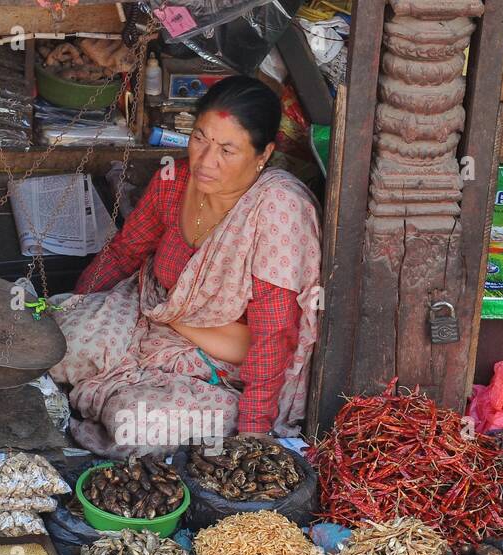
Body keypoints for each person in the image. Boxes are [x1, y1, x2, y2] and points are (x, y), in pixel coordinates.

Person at [49, 76, 322, 457]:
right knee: (60, 346)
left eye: (227, 150)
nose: (206, 162)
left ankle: (120, 399)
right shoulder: (173, 180)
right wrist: (79, 305)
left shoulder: (277, 210)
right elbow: (124, 252)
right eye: (200, 139)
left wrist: (254, 430)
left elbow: (274, 335)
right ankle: (113, 388)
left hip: (220, 369)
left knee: (135, 425)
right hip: (152, 312)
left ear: (263, 155)